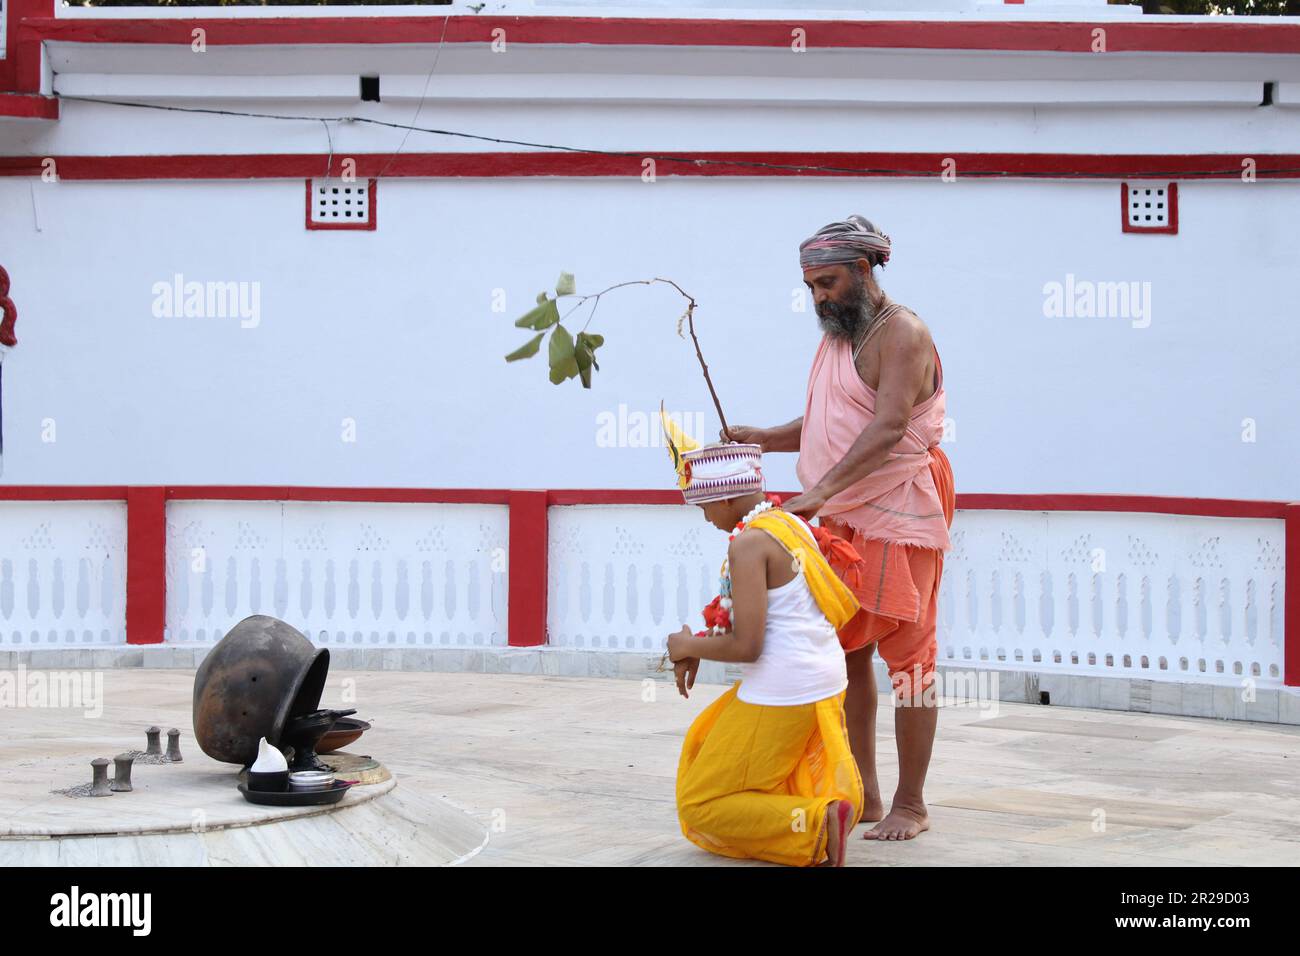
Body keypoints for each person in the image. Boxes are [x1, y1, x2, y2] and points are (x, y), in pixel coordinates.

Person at [728, 215, 955, 842]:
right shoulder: (840, 337)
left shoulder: (902, 332)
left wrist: (821, 490)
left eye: (827, 282)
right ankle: (866, 791)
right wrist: (764, 438)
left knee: (910, 660)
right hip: (841, 515)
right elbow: (833, 415)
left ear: (863, 270)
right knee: (849, 654)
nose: (819, 297)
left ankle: (912, 802)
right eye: (811, 287)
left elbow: (885, 429)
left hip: (900, 508)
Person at [661, 409, 865, 867]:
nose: (707, 518)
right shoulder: (787, 522)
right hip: (817, 677)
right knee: (707, 744)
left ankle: (817, 821)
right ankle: (813, 819)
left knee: (700, 804)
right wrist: (701, 638)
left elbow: (747, 646)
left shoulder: (748, 544)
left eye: (705, 506)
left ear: (727, 496)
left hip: (786, 687)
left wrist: (686, 645)